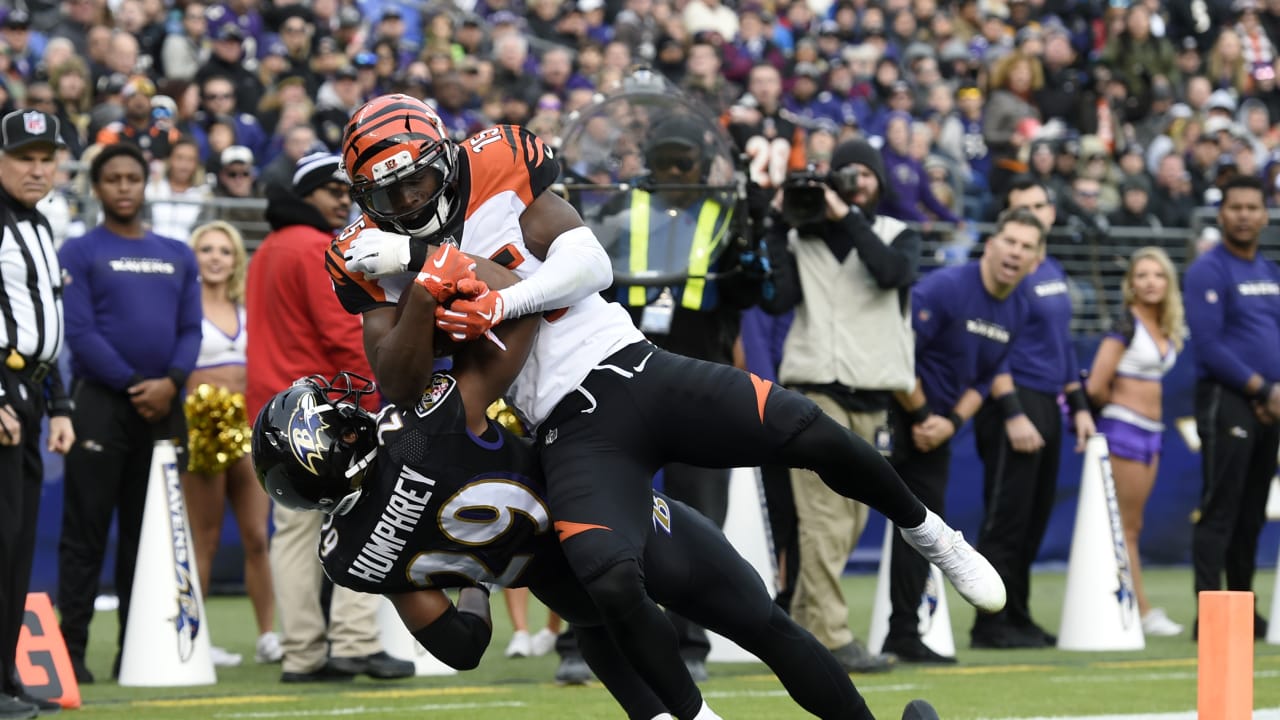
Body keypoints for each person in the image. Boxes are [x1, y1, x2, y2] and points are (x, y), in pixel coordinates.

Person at [331, 95, 1004, 720]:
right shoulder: (367, 256)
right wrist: (422, 281)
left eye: (415, 181)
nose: (406, 199)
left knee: (808, 430)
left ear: (445, 160)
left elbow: (591, 265)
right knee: (610, 581)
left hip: (634, 367)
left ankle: (934, 537)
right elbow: (398, 381)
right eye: (386, 193)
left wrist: (451, 270)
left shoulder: (496, 167)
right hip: (568, 424)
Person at [250, 259, 943, 720]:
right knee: (768, 629)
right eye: (331, 414)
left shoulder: (354, 553)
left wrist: (474, 576)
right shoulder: (419, 427)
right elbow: (519, 319)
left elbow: (460, 647)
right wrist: (468, 288)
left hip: (573, 600)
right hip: (620, 522)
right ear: (333, 442)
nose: (343, 405)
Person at [597, 112, 762, 682]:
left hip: (699, 386)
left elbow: (756, 292)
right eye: (662, 160)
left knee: (700, 525)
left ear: (702, 163)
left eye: (681, 161)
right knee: (598, 513)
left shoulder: (726, 215)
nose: (671, 172)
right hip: (622, 380)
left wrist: (753, 246)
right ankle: (594, 643)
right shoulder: (619, 211)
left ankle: (690, 647)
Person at [244, 151, 413, 683]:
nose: (343, 198)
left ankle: (301, 653)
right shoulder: (318, 249)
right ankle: (356, 642)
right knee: (360, 519)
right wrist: (381, 398)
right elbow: (346, 334)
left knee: (291, 534)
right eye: (330, 190)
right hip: (324, 416)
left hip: (275, 414)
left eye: (347, 190)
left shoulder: (268, 248)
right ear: (304, 194)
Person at [761, 138, 913, 674]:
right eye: (845, 176)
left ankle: (798, 628)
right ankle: (831, 634)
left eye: (862, 176)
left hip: (873, 395)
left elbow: (891, 273)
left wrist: (846, 215)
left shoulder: (896, 233)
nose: (855, 184)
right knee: (824, 519)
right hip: (814, 389)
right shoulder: (801, 238)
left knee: (849, 520)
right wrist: (780, 226)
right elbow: (775, 299)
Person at [57, 142, 202, 683]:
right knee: (84, 535)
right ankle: (70, 656)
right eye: (112, 179)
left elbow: (191, 329)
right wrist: (136, 384)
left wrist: (170, 384)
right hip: (100, 405)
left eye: (132, 178)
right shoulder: (78, 251)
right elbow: (80, 332)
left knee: (151, 539)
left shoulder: (177, 253)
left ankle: (137, 655)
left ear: (146, 185)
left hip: (166, 409)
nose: (123, 187)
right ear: (96, 188)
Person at [884, 207, 1043, 664]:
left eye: (1027, 247)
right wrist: (923, 415)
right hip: (892, 412)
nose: (1016, 252)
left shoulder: (1019, 308)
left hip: (936, 428)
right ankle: (812, 628)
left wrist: (948, 425)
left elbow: (984, 380)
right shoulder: (945, 288)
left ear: (1036, 260)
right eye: (1009, 241)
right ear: (991, 245)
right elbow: (896, 352)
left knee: (923, 530)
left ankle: (904, 634)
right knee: (840, 519)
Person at [970, 177, 1097, 649]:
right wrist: (1011, 411)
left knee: (1033, 518)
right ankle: (989, 621)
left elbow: (1062, 344)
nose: (1036, 212)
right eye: (1024, 208)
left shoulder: (1053, 270)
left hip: (1047, 400)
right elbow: (993, 347)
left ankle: (1017, 614)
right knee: (1006, 517)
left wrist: (1078, 403)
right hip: (1013, 400)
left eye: (1042, 205)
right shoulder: (1004, 277)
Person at [0, 108, 75, 720]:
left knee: (18, 542)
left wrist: (61, 403)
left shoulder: (41, 224)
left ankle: (7, 678)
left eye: (46, 158)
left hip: (31, 392)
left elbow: (48, 325)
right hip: (4, 392)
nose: (37, 169)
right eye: (25, 157)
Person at [180, 221, 281, 665]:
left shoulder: (248, 305)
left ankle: (267, 636)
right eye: (206, 249)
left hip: (249, 421)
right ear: (194, 256)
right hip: (200, 423)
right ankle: (196, 639)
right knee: (204, 537)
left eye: (224, 249)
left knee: (258, 536)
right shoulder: (182, 306)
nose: (216, 256)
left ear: (236, 258)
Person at [1185, 173, 1280, 639]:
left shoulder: (1268, 271)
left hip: (1269, 406)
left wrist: (1274, 394)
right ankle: (1209, 615)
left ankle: (1242, 608)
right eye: (1235, 207)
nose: (1244, 215)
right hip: (1227, 401)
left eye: (1252, 208)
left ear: (1264, 214)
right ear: (1222, 214)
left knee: (1251, 513)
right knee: (1220, 508)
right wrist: (1264, 389)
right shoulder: (1208, 269)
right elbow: (1208, 345)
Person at [1085, 246, 1184, 637]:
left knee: (1133, 525)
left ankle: (1123, 604)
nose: (1150, 282)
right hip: (1124, 430)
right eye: (1141, 275)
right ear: (1131, 283)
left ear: (1168, 282)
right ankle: (1140, 610)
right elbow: (1095, 385)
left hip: (1151, 434)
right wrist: (1119, 412)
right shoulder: (1125, 323)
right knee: (1125, 527)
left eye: (1157, 275)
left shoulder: (1166, 324)